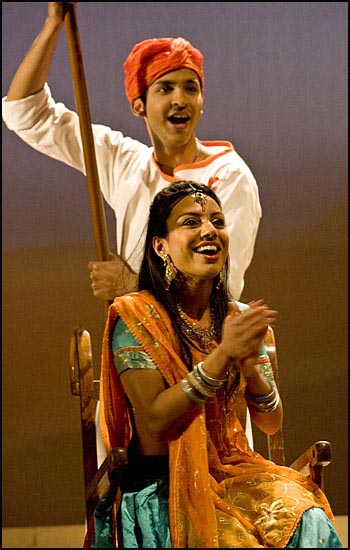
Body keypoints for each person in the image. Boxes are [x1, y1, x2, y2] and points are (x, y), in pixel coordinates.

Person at [89, 180, 343, 548]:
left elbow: (271, 424)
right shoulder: (136, 315)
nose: (209, 230)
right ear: (161, 245)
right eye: (190, 222)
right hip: (164, 486)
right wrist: (223, 356)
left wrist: (250, 367)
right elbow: (156, 418)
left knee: (308, 518)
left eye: (217, 221)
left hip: (233, 476)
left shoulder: (238, 317)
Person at [2, 2, 261, 303]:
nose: (181, 99)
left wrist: (129, 284)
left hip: (200, 350)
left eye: (190, 88)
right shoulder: (124, 162)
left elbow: (218, 291)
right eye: (165, 88)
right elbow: (24, 112)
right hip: (133, 344)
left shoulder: (229, 176)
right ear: (139, 105)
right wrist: (53, 24)